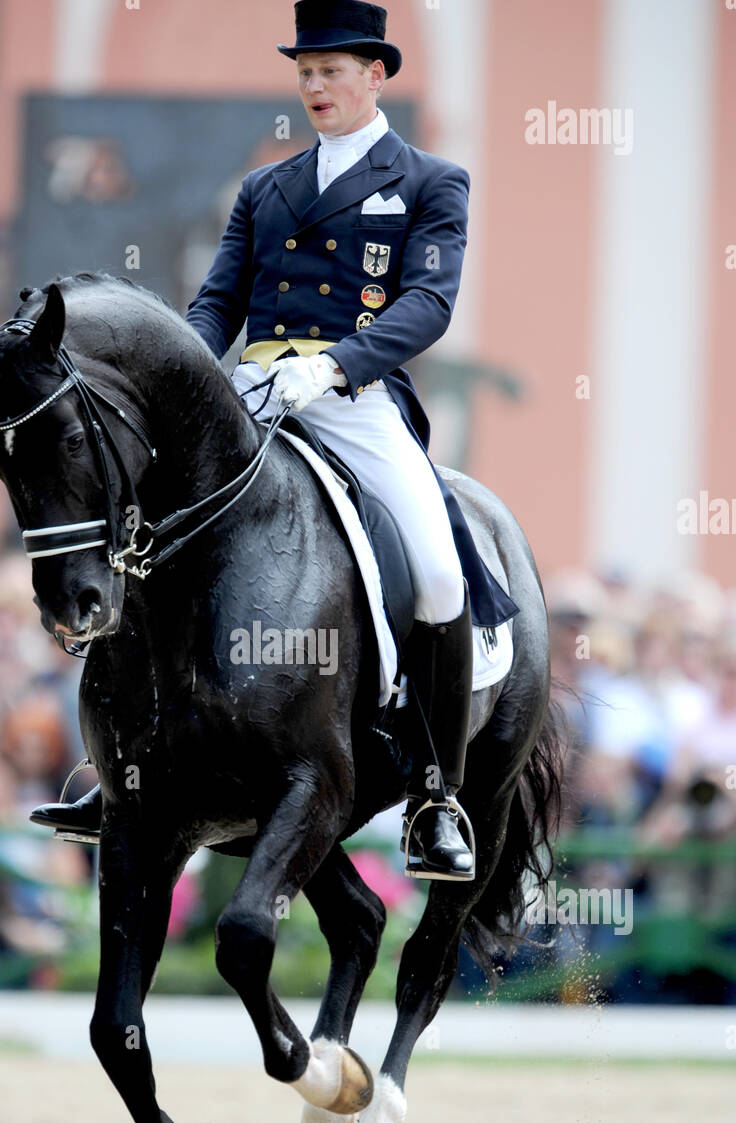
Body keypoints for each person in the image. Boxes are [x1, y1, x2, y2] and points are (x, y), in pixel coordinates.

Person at [34, 0, 520, 878]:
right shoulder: (267, 188)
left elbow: (427, 304)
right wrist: (185, 374)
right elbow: (218, 301)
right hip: (252, 390)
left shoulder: (430, 181)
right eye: (305, 72)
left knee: (441, 570)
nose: (314, 86)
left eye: (332, 71)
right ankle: (114, 771)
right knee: (146, 538)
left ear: (375, 75)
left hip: (356, 398)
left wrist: (333, 367)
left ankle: (438, 795)